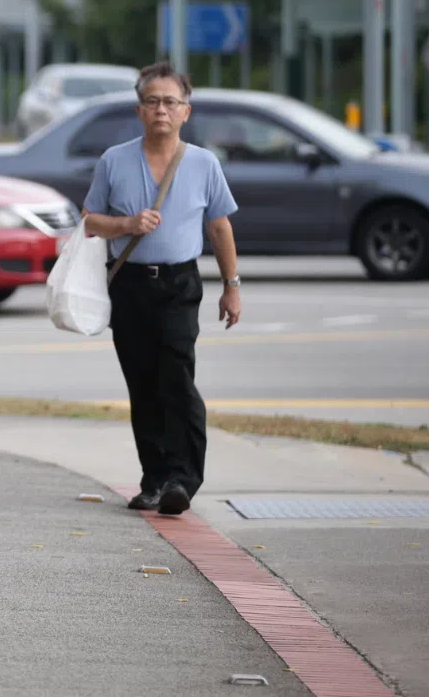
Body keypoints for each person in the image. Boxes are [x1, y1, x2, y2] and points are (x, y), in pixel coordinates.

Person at [82, 61, 241, 516]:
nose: (160, 111)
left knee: (176, 377)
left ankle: (183, 479)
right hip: (129, 284)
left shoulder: (203, 163)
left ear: (185, 111)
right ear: (139, 110)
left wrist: (231, 286)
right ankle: (153, 480)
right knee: (142, 384)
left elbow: (220, 226)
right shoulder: (115, 161)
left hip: (179, 283)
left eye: (170, 102)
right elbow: (90, 221)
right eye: (151, 102)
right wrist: (127, 224)